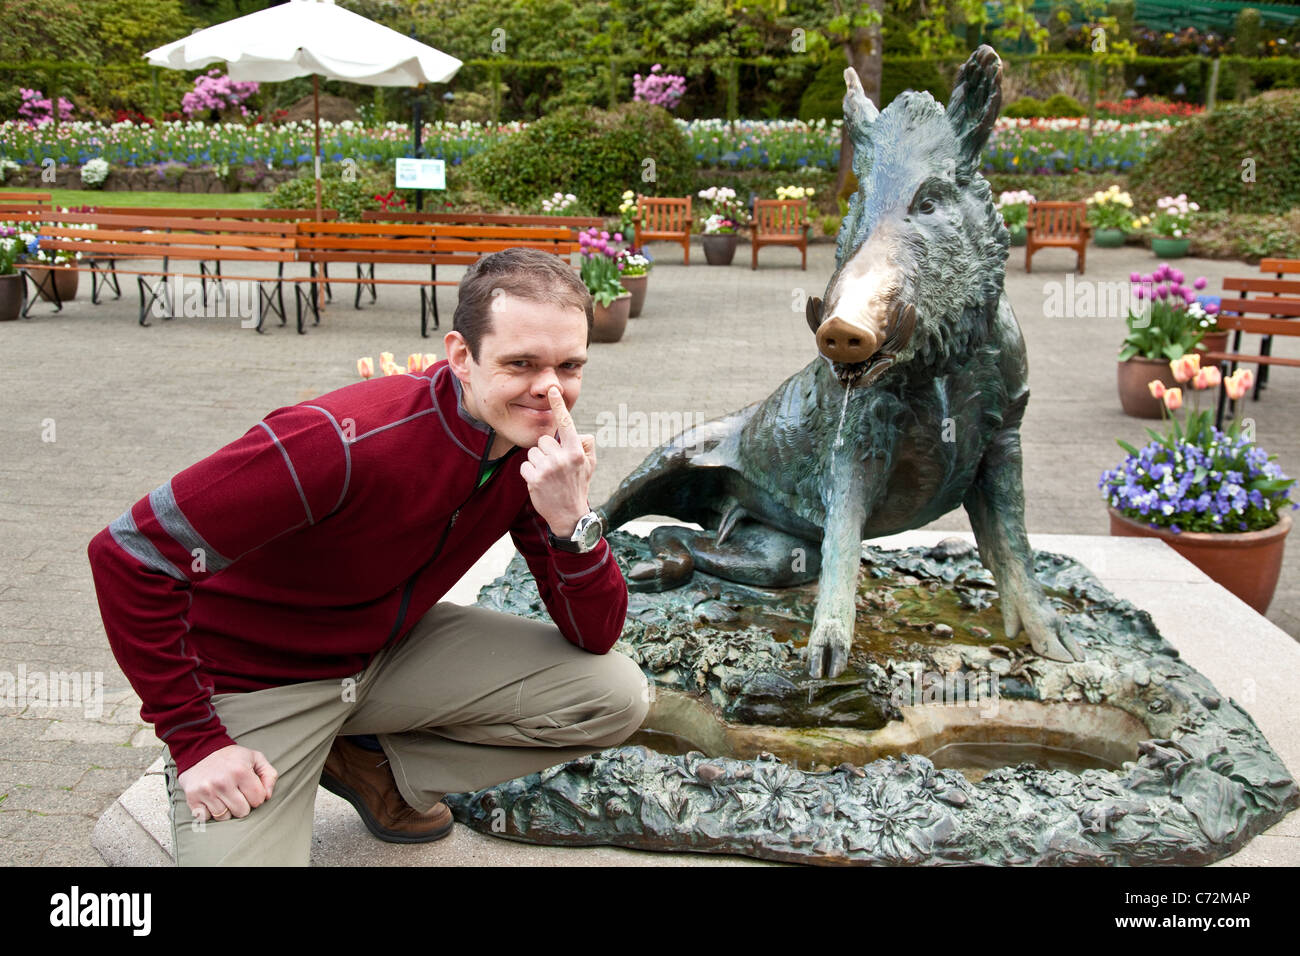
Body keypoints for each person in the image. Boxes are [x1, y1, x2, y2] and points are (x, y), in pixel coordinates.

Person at [87, 246, 650, 866]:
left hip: (383, 655)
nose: (550, 391)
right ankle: (313, 747)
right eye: (521, 363)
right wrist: (197, 741)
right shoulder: (339, 440)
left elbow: (594, 635)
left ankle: (369, 765)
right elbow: (127, 553)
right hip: (256, 683)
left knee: (616, 693)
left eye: (569, 365)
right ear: (461, 355)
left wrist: (573, 523)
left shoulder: (535, 457)